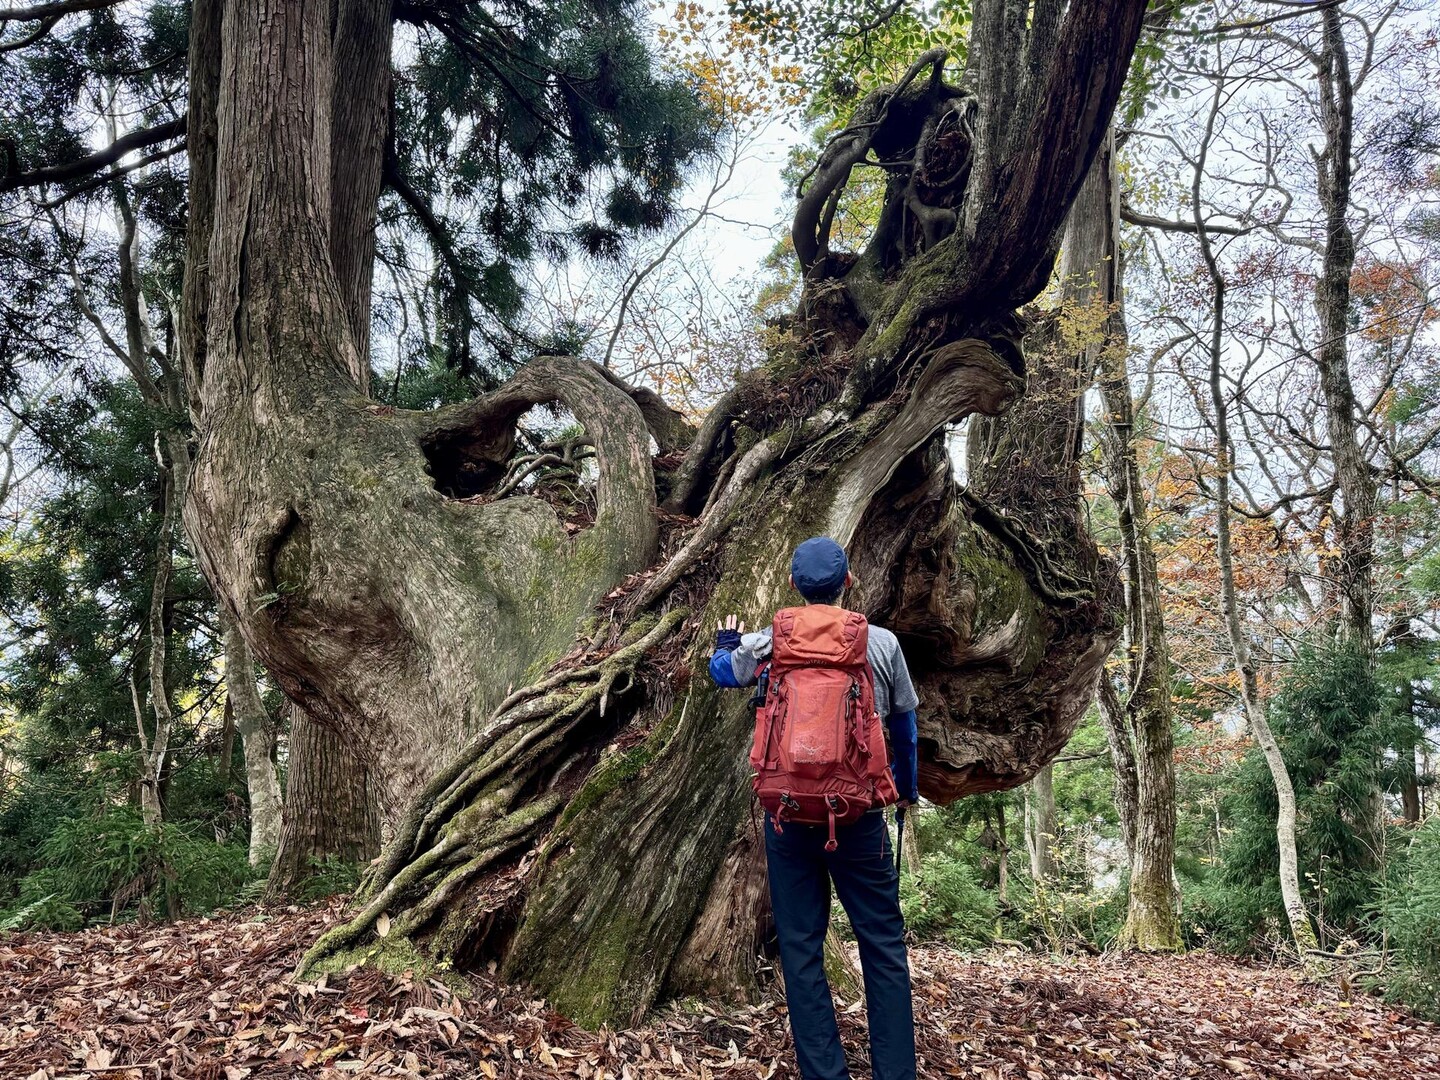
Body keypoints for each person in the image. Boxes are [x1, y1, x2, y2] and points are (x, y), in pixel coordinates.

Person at [708, 536, 919, 1080]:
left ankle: (825, 1074)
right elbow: (905, 731)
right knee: (883, 945)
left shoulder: (770, 641)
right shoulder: (882, 645)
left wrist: (725, 640)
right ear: (847, 582)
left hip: (787, 813)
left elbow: (723, 673)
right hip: (860, 815)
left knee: (801, 948)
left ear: (795, 586)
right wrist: (906, 793)